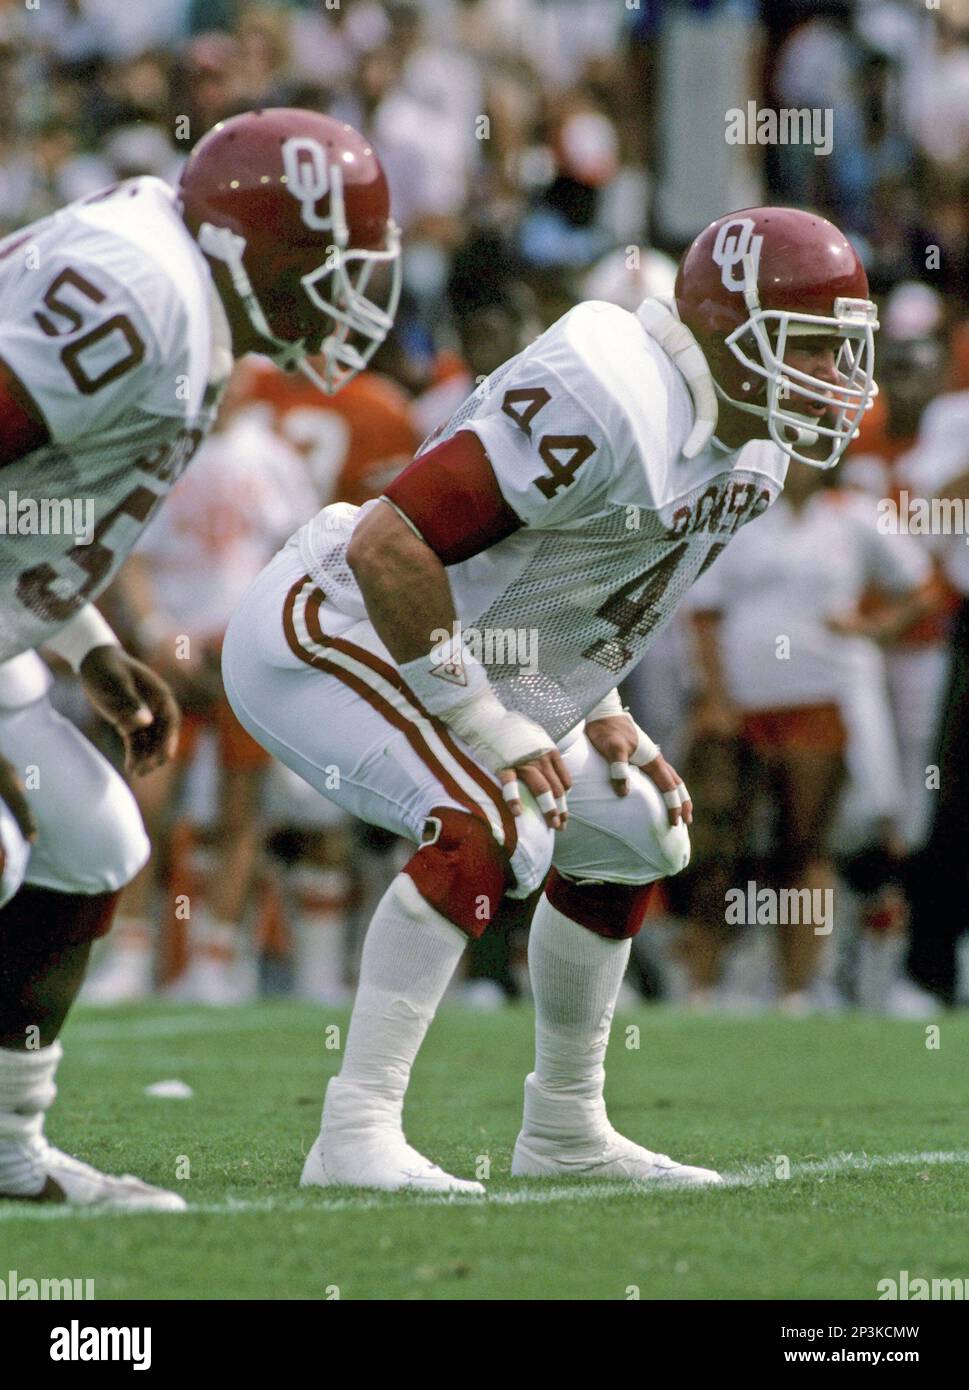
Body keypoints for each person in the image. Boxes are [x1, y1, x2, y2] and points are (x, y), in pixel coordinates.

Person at [222, 207, 879, 1193]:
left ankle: (566, 1127)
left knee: (636, 826)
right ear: (727, 332)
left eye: (845, 353)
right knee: (489, 816)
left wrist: (601, 705)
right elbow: (390, 546)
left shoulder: (756, 450)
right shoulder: (607, 385)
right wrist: (485, 724)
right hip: (335, 624)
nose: (837, 380)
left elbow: (573, 586)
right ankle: (352, 1134)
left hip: (466, 651)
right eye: (812, 348)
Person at [0, 107, 401, 1207]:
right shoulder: (147, 296)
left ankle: (6, 1149)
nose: (345, 298)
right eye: (325, 267)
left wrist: (84, 640)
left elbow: (28, 508)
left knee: (89, 837)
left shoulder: (184, 292)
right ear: (248, 242)